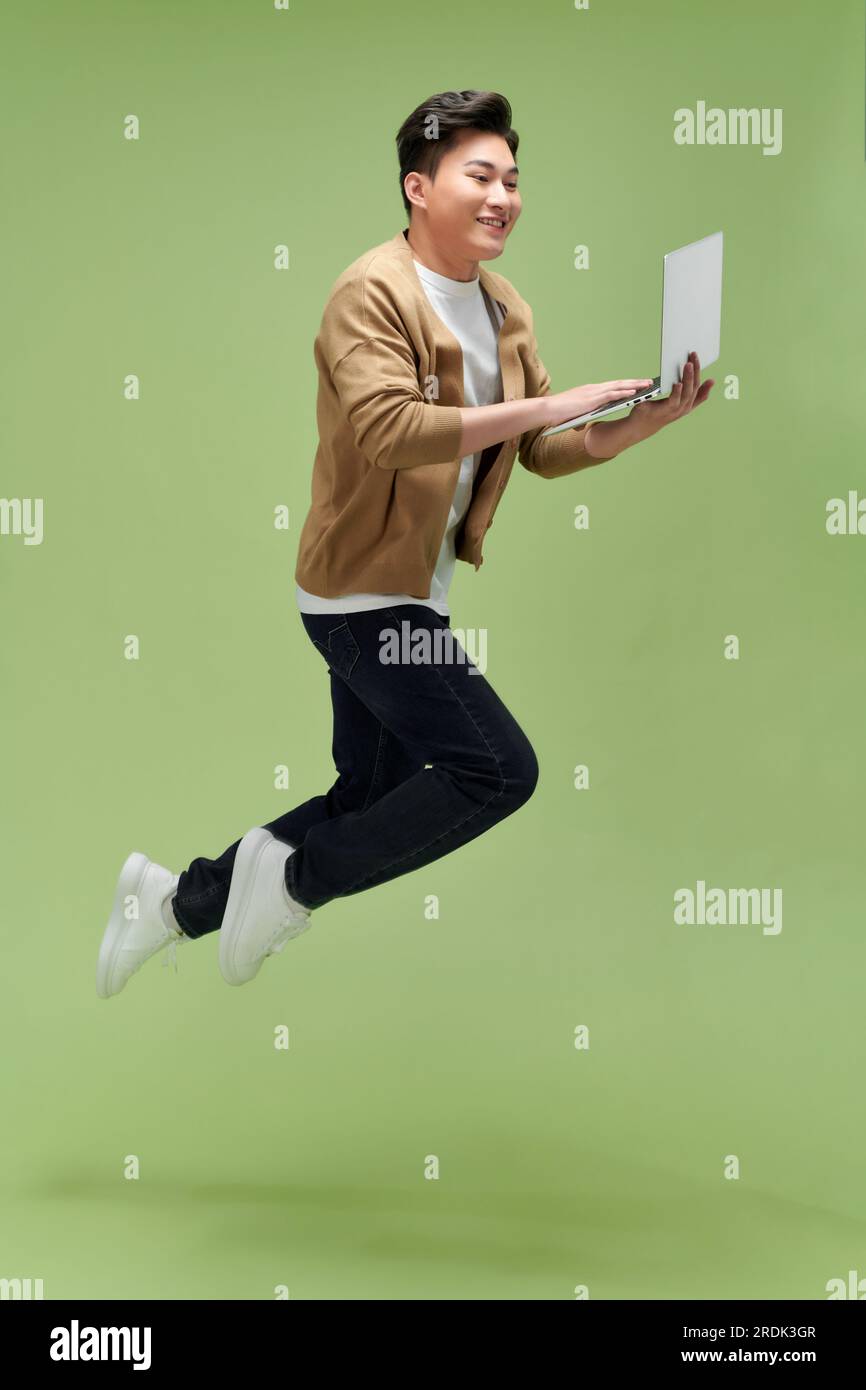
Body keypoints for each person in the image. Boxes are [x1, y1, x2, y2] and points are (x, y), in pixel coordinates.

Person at [96, 89, 713, 998]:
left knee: (368, 799)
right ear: (419, 187)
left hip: (413, 592)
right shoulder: (370, 291)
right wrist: (548, 404)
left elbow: (536, 448)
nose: (504, 194)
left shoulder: (505, 310)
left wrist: (640, 422)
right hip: (358, 596)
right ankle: (296, 885)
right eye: (480, 175)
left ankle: (169, 904)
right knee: (496, 770)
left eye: (512, 177)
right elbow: (390, 430)